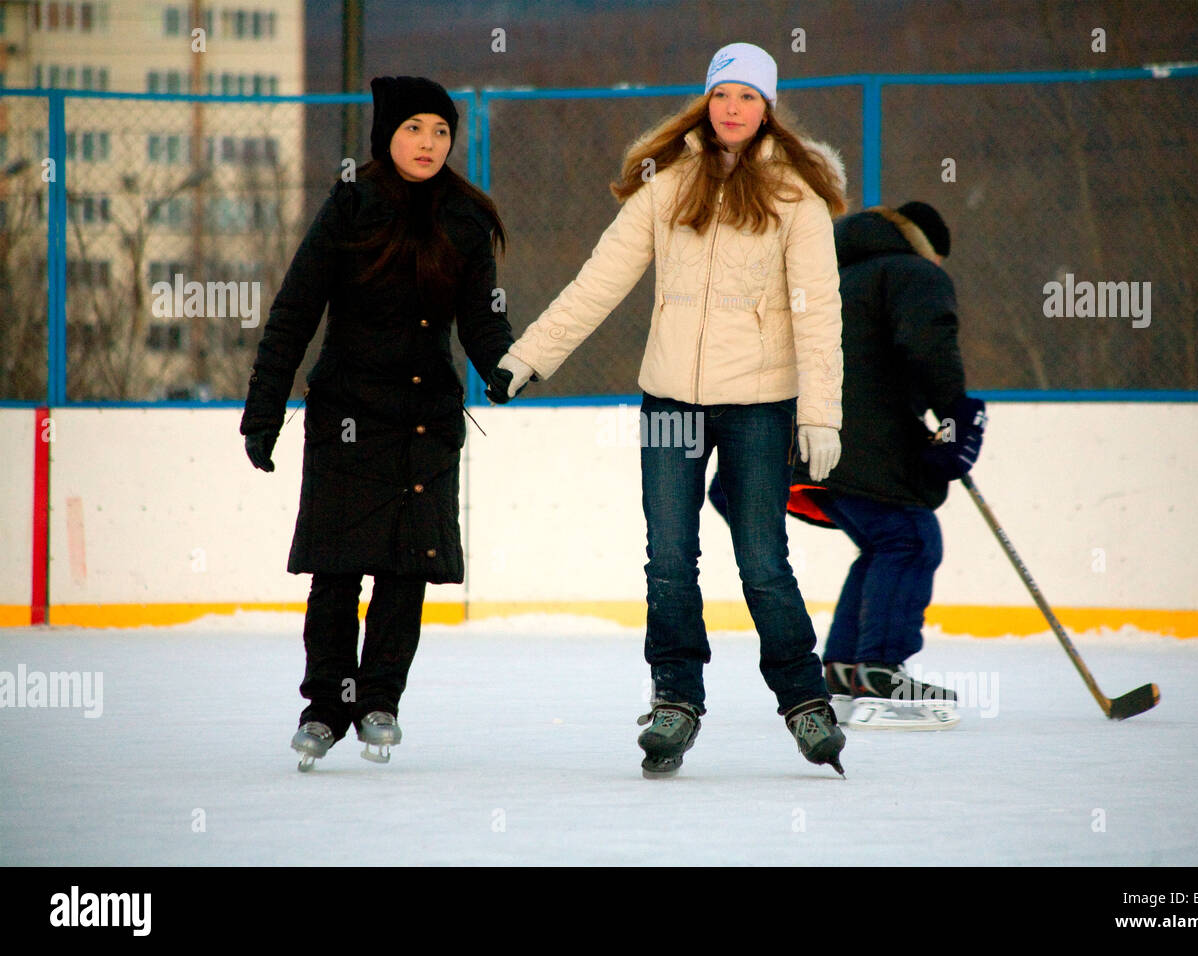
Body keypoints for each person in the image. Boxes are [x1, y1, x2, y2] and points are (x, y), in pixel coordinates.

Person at [494, 43, 848, 777]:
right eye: (723, 95)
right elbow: (600, 281)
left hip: (758, 404)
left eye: (748, 97)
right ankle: (676, 699)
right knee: (668, 561)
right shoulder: (667, 185)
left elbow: (819, 314)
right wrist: (530, 355)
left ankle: (804, 701)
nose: (732, 109)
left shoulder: (796, 200)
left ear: (767, 109)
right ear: (706, 101)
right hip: (669, 401)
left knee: (762, 561)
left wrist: (821, 414)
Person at [240, 76, 519, 770]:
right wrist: (264, 410)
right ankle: (326, 707)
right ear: (385, 136)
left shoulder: (465, 217)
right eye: (413, 129)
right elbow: (294, 312)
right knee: (336, 570)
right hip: (347, 418)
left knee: (407, 570)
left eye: (441, 131)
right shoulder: (351, 206)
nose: (428, 144)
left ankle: (379, 701)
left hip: (424, 423)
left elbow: (484, 322)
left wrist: (509, 368)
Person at [713, 201, 984, 730]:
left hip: (795, 443)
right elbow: (928, 345)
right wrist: (956, 412)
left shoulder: (824, 277)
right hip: (858, 439)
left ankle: (843, 669)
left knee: (885, 543)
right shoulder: (910, 272)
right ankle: (879, 670)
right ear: (928, 249)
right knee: (908, 538)